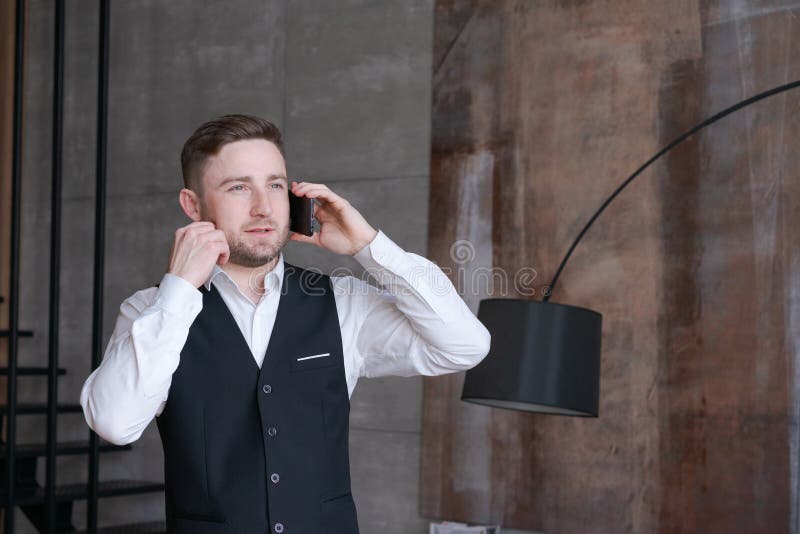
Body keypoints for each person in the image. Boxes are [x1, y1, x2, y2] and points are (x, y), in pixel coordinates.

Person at [79, 114, 491, 534]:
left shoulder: (342, 302)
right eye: (238, 187)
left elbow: (464, 345)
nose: (263, 206)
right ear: (193, 205)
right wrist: (180, 288)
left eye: (275, 184)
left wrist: (369, 247)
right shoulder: (152, 311)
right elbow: (114, 423)